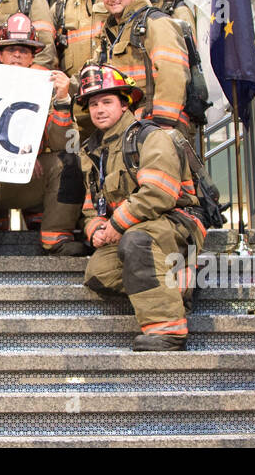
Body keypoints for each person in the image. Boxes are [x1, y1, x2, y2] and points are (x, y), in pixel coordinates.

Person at [75, 63, 205, 351]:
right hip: (130, 228)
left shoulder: (149, 136)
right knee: (99, 273)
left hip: (174, 222)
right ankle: (177, 281)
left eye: (107, 101)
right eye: (93, 104)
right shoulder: (92, 151)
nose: (99, 109)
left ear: (124, 104)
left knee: (136, 243)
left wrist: (117, 223)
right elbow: (91, 206)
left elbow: (160, 193)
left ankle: (168, 330)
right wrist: (96, 229)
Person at [0, 14, 85, 255]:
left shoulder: (49, 87)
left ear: (33, 56)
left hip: (31, 180)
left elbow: (64, 142)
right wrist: (18, 157)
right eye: (11, 49)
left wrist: (62, 100)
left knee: (69, 160)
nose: (17, 55)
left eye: (24, 51)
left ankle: (55, 237)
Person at [91, 0, 193, 139]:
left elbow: (173, 73)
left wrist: (162, 124)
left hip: (160, 125)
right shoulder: (110, 31)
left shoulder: (155, 22)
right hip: (132, 126)